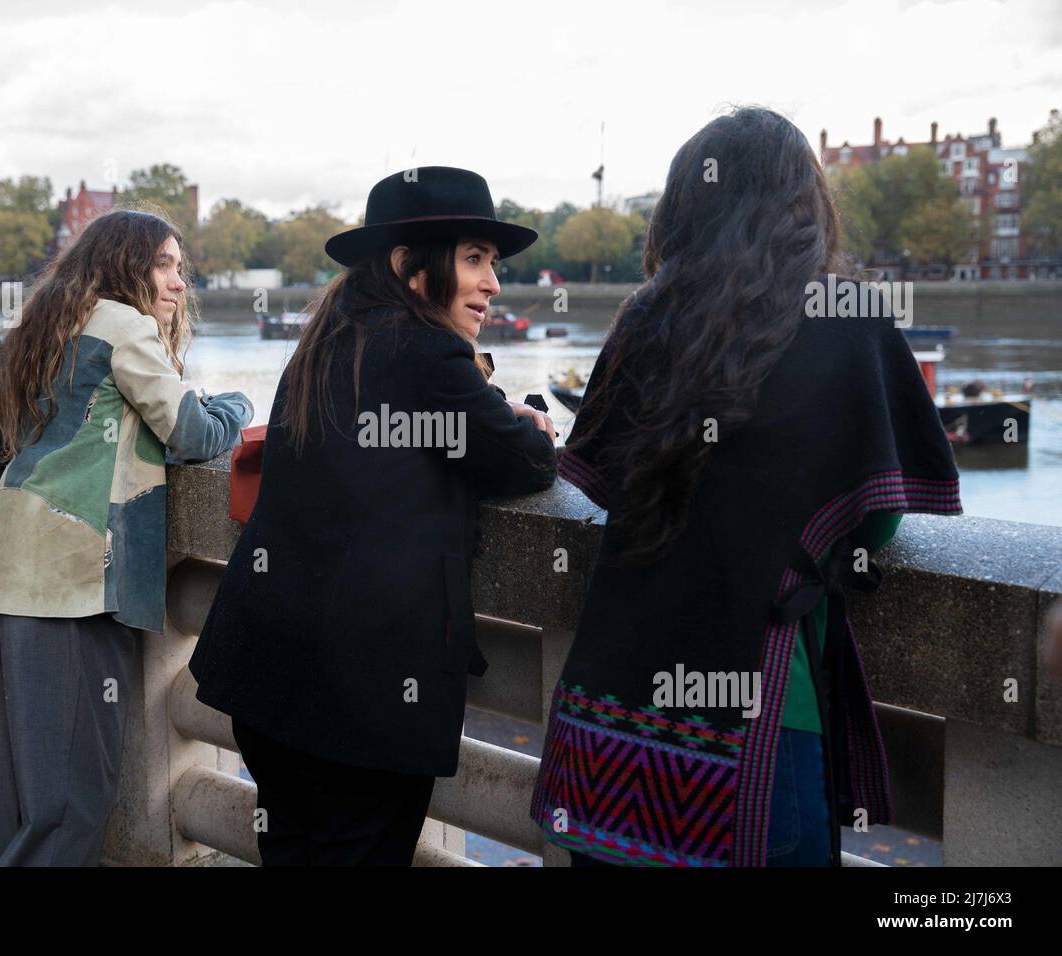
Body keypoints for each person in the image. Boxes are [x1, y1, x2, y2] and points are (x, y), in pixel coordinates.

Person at [529, 108, 962, 867]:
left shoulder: (644, 317)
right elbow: (874, 526)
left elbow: (604, 485)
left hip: (608, 719)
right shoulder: (849, 315)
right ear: (806, 204)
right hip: (763, 722)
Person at [189, 166, 558, 866]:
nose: (493, 283)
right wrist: (527, 424)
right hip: (357, 703)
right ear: (408, 265)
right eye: (475, 259)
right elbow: (521, 462)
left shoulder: (330, 338)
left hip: (271, 675)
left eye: (493, 263)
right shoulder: (427, 348)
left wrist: (490, 409)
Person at [0, 209, 253, 866]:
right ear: (125, 264)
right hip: (68, 586)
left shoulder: (55, 325)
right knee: (68, 807)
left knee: (0, 810)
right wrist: (236, 406)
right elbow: (193, 434)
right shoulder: (123, 323)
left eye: (181, 266)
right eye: (163, 264)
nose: (178, 282)